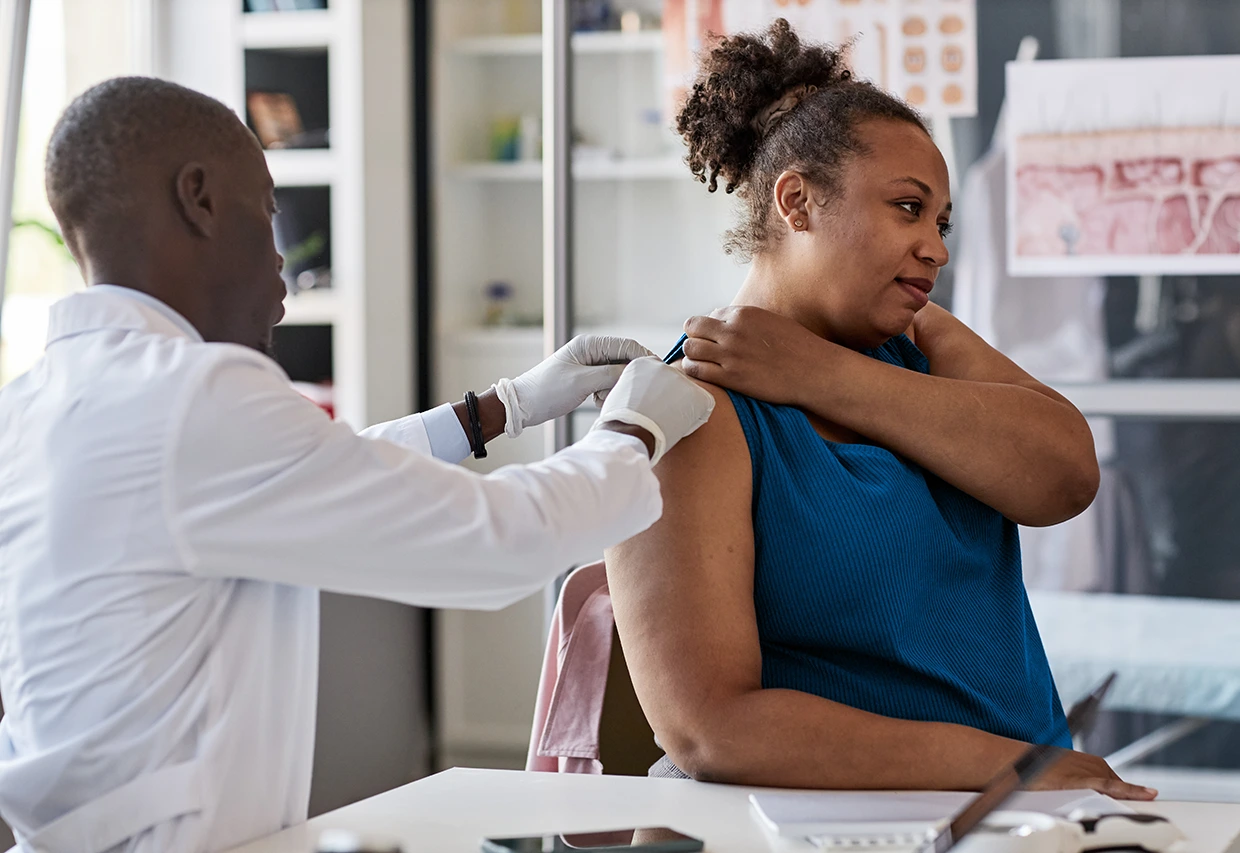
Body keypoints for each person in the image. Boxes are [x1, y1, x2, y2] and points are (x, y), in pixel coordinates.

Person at [0, 77, 714, 853]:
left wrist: (500, 408)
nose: (280, 258)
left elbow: (308, 476)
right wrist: (633, 435)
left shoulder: (38, 402)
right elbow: (500, 543)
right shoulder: (190, 397)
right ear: (199, 200)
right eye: (265, 211)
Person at [605, 21, 1155, 799]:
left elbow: (1065, 476)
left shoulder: (916, 351)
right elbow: (709, 728)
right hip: (842, 820)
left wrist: (829, 370)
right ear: (796, 201)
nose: (937, 247)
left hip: (1021, 804)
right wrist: (1012, 769)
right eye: (908, 209)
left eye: (942, 223)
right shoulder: (691, 408)